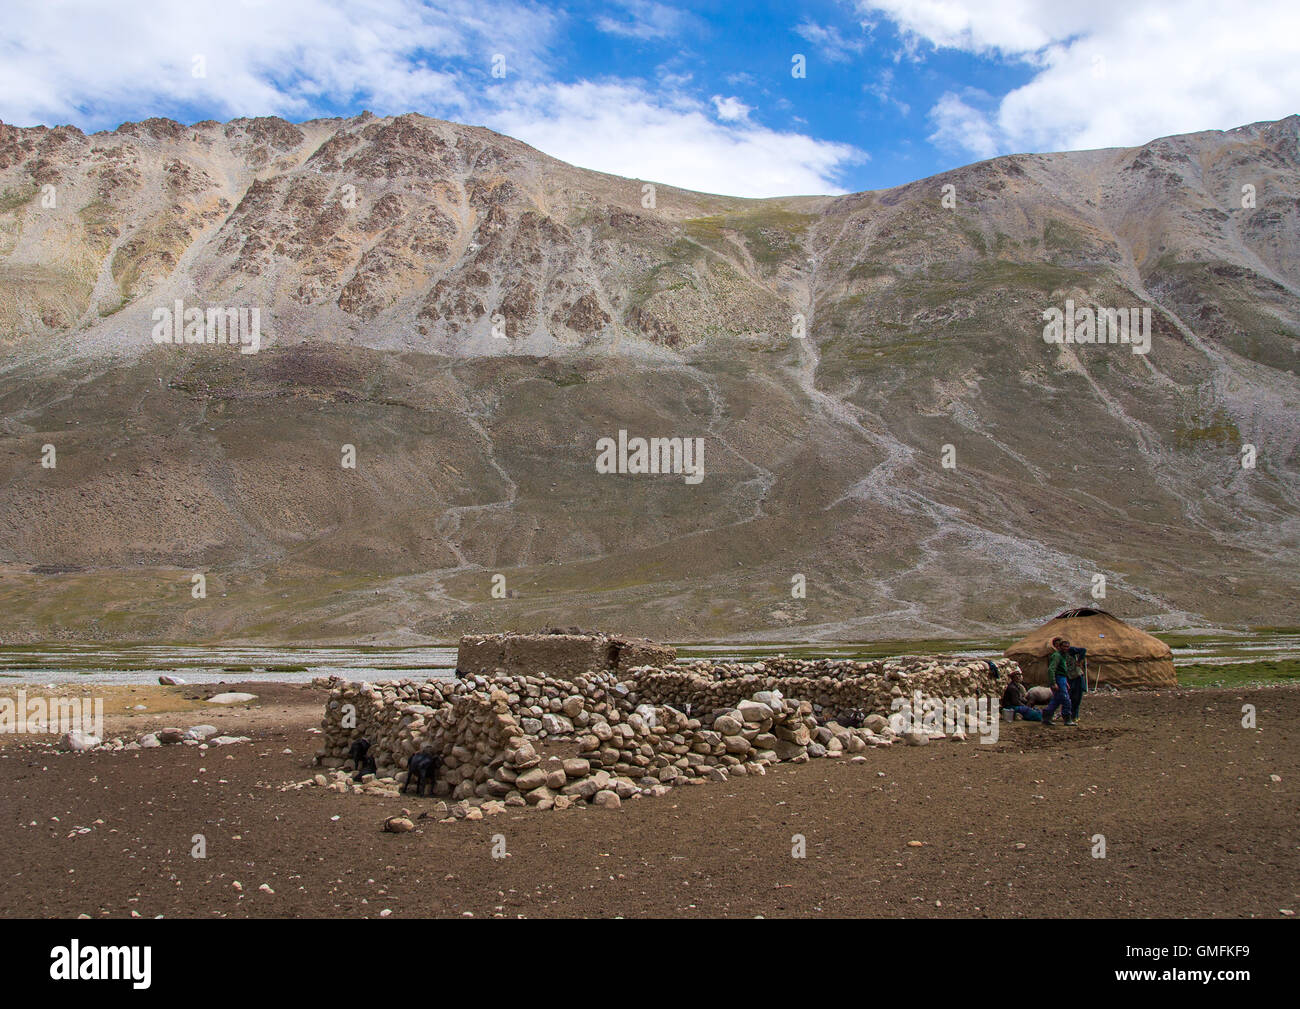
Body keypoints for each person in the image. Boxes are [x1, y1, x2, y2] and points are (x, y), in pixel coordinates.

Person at [1042, 636, 1079, 726]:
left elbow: (1062, 670)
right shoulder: (1057, 656)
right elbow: (1051, 669)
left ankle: (1046, 717)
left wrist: (1065, 682)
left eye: (1067, 647)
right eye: (1064, 647)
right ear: (1059, 646)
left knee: (1057, 699)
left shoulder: (1063, 656)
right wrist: (1054, 682)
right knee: (1066, 699)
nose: (1066, 648)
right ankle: (1067, 719)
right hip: (1058, 679)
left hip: (1062, 679)